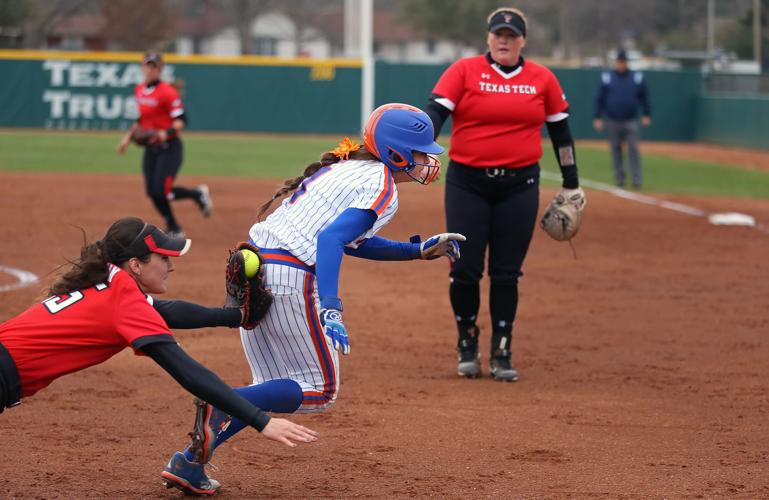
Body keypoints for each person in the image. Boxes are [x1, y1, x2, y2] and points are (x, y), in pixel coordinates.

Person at [162, 103, 466, 492]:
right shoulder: (382, 185)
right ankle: (220, 402)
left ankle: (189, 463)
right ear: (396, 153)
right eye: (423, 152)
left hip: (254, 267)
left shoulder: (344, 169)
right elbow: (330, 239)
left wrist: (417, 249)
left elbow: (351, 240)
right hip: (290, 278)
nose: (429, 161)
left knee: (271, 385)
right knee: (319, 390)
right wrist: (331, 307)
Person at [0, 217, 318, 495]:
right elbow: (189, 372)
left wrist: (235, 316)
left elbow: (168, 311)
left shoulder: (114, 283)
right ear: (135, 265)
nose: (171, 265)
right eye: (163, 257)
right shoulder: (125, 302)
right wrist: (260, 421)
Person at [423, 7, 585, 382]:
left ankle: (501, 347)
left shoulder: (541, 79)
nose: (504, 41)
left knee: (506, 273)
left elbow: (561, 135)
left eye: (511, 36)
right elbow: (436, 113)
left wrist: (571, 181)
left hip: (520, 185)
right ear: (489, 38)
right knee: (464, 269)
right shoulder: (463, 71)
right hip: (468, 183)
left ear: (523, 41)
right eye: (499, 34)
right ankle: (467, 339)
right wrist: (418, 141)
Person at [117, 52, 212, 238]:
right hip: (151, 150)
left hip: (170, 148)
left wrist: (164, 133)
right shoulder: (139, 90)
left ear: (160, 69)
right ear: (142, 67)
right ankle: (174, 226)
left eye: (154, 66)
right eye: (147, 65)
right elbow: (141, 119)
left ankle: (196, 196)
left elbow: (181, 120)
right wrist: (127, 139)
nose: (150, 69)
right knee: (152, 192)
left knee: (162, 190)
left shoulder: (168, 92)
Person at [593, 49, 652, 189]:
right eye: (619, 62)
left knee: (633, 149)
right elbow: (599, 99)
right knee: (616, 149)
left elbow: (645, 97)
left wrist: (647, 114)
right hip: (613, 119)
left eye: (623, 62)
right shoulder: (607, 77)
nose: (621, 64)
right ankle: (619, 178)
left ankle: (636, 179)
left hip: (630, 120)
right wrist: (597, 117)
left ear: (627, 62)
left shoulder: (636, 77)